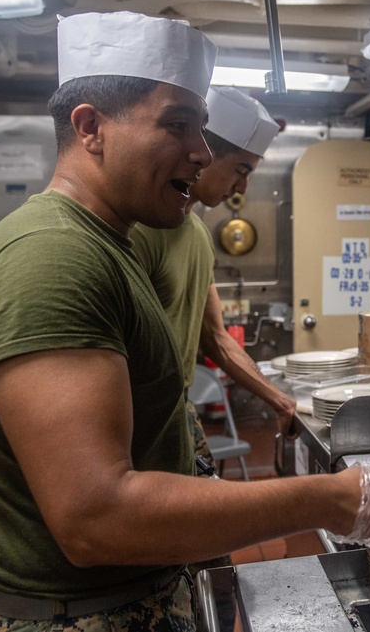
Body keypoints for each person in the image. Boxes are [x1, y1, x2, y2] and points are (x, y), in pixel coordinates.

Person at [0, 11, 370, 631]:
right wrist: (335, 498)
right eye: (177, 124)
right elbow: (95, 520)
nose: (202, 152)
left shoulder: (112, 243)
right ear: (91, 127)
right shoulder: (51, 258)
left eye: (202, 129)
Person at [130, 86, 295, 466]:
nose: (242, 188)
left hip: (178, 412)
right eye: (240, 170)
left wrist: (280, 401)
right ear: (204, 155)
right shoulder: (142, 233)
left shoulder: (199, 235)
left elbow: (216, 338)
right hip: (138, 424)